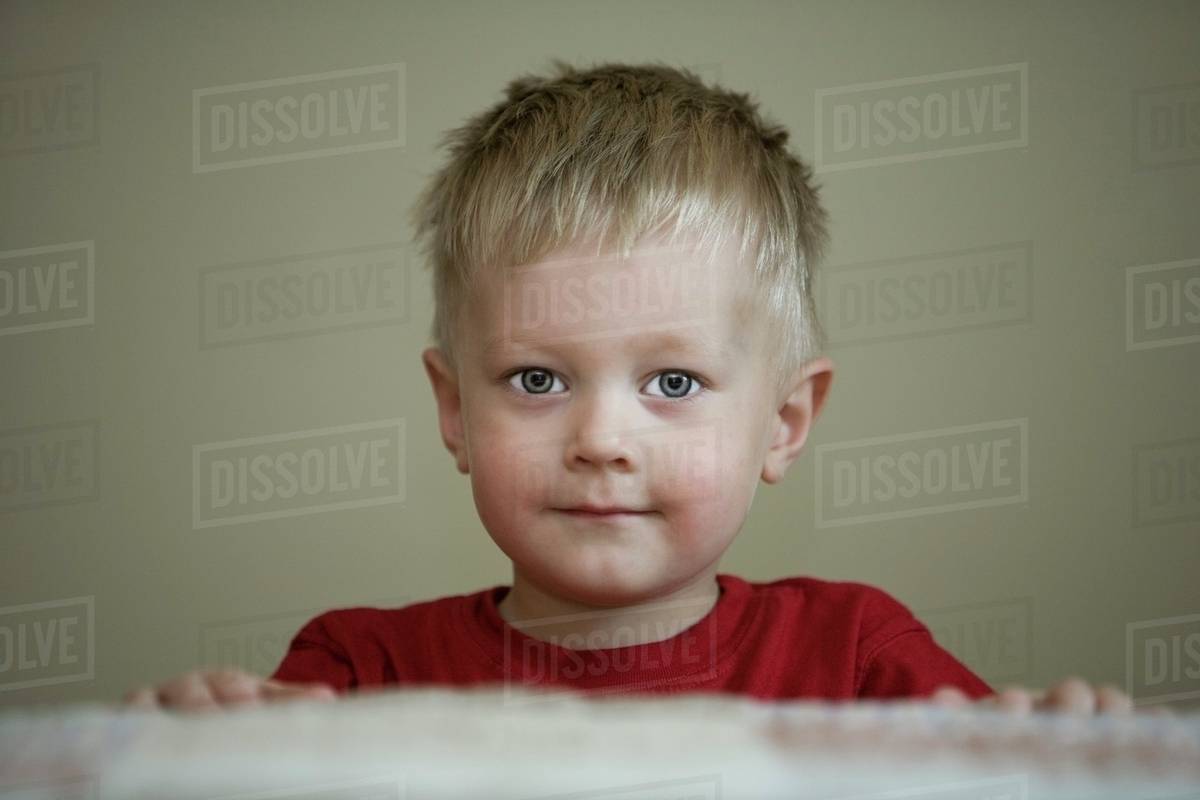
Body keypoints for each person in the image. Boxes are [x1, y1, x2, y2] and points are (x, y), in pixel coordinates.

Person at [125, 60, 1133, 717]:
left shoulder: (857, 659)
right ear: (452, 410)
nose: (602, 436)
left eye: (674, 380)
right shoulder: (358, 669)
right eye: (535, 377)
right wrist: (189, 753)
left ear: (783, 422)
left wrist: (1049, 753)